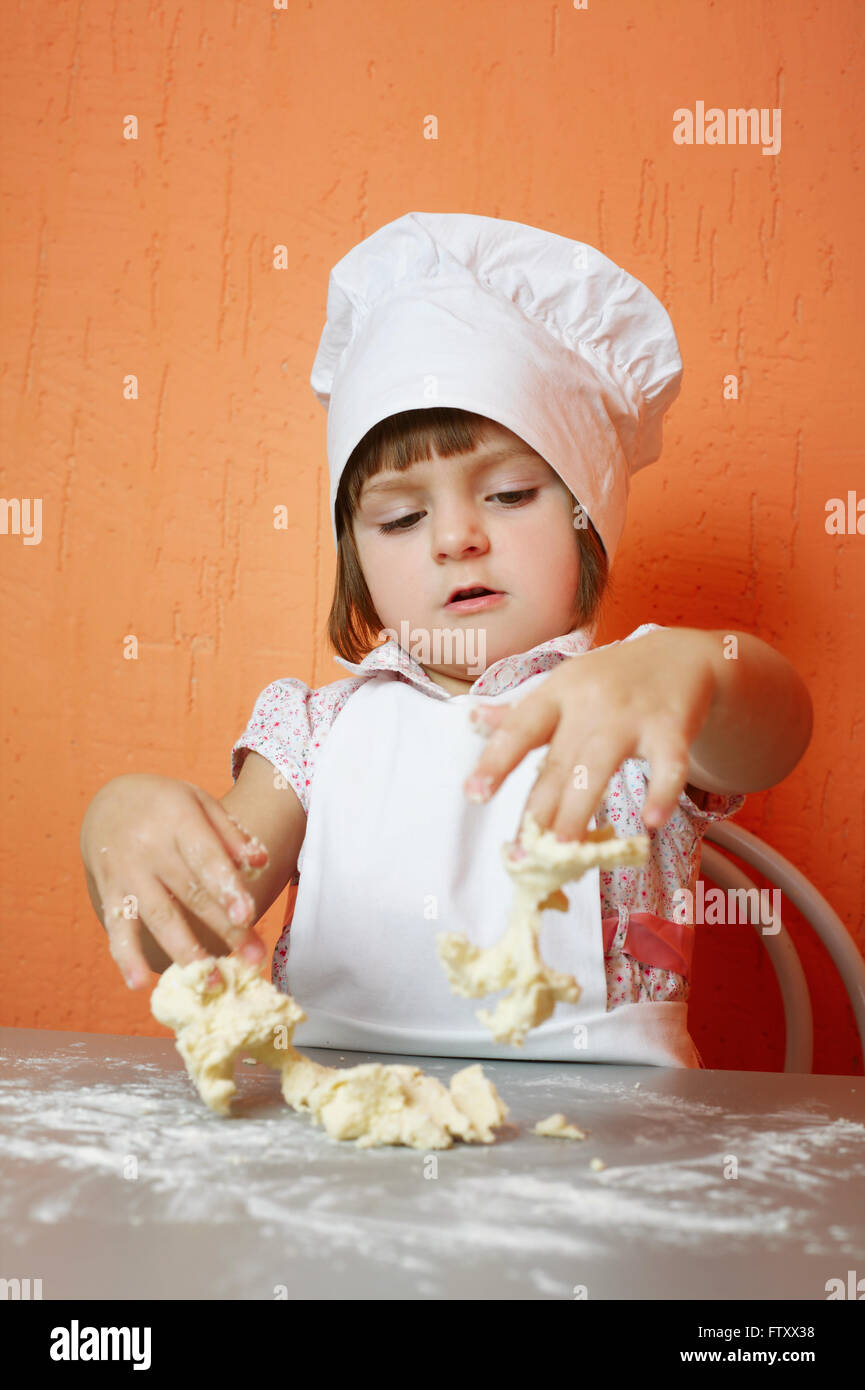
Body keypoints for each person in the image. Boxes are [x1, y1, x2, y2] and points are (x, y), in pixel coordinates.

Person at [81, 212, 813, 1067]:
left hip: (607, 1160)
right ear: (354, 559)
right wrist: (119, 831)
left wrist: (691, 666)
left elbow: (774, 732)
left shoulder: (635, 702)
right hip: (338, 1143)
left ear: (586, 525)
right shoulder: (315, 735)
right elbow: (197, 930)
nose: (455, 536)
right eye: (400, 516)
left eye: (507, 495)